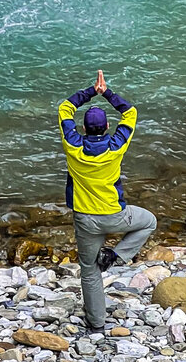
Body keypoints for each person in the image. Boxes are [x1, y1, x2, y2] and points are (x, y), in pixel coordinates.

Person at [58, 69, 156, 332]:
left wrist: (90, 92)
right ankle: (115, 255)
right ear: (108, 127)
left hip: (85, 220)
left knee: (90, 272)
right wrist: (107, 93)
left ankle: (97, 323)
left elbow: (65, 108)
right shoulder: (116, 147)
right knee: (149, 222)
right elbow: (131, 112)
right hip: (115, 215)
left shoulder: (73, 145)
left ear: (83, 128)